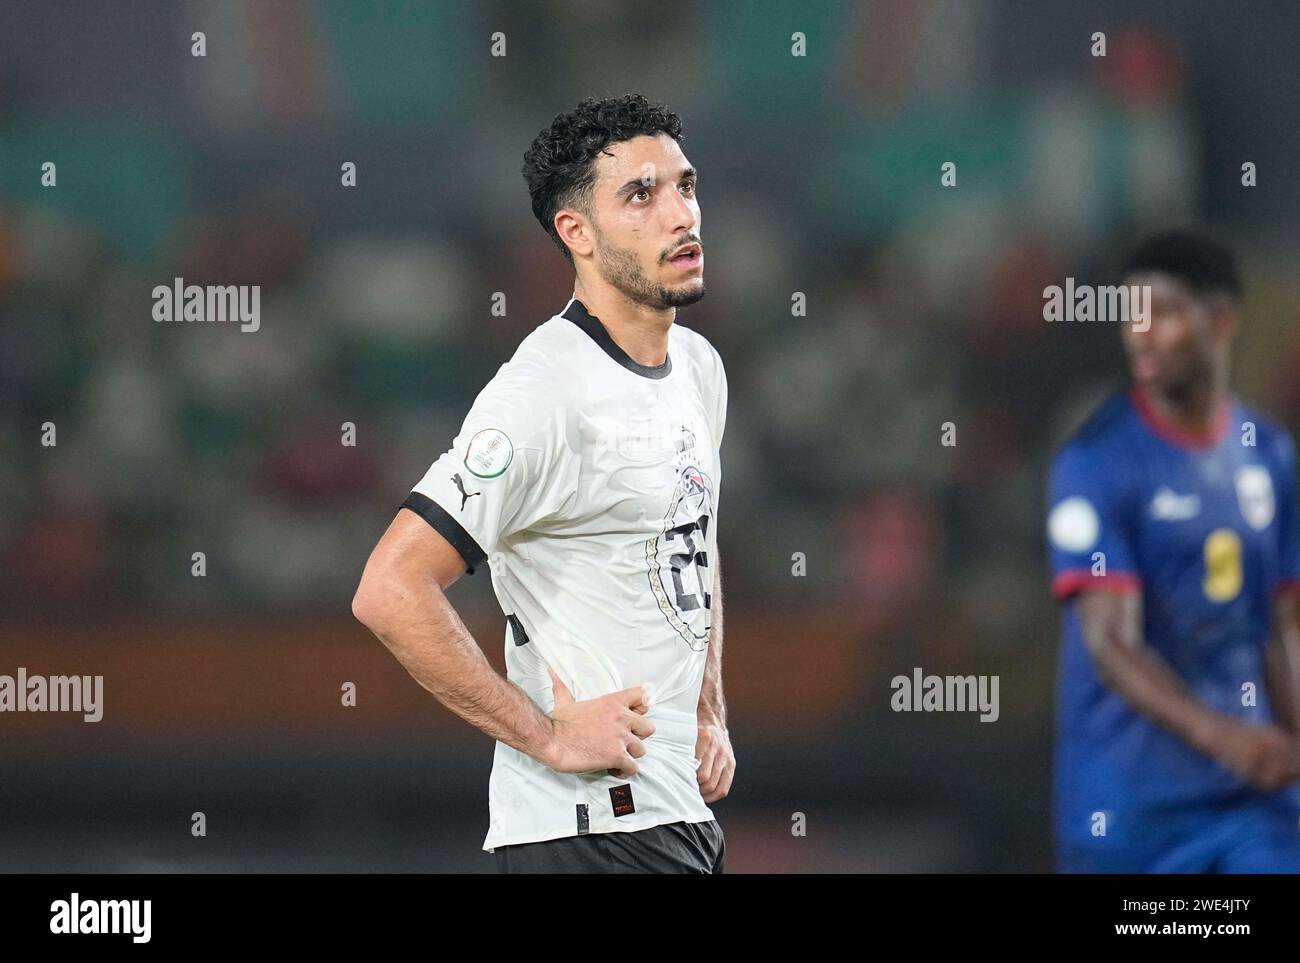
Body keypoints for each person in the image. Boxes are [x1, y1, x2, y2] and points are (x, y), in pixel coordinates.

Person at [352, 94, 733, 873]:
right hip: (587, 828)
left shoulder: (698, 366)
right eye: (641, 194)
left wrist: (708, 704)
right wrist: (548, 734)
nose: (680, 214)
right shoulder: (544, 392)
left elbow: (693, 537)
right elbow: (389, 587)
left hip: (670, 815)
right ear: (576, 233)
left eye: (684, 186)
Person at [1047, 228, 1300, 872]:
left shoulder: (1270, 457)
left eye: (1162, 312)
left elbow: (1280, 624)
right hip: (1131, 814)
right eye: (1130, 313)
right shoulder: (1096, 464)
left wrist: (1288, 742)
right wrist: (1226, 738)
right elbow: (1111, 643)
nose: (1140, 332)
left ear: (1220, 321)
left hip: (1248, 808)